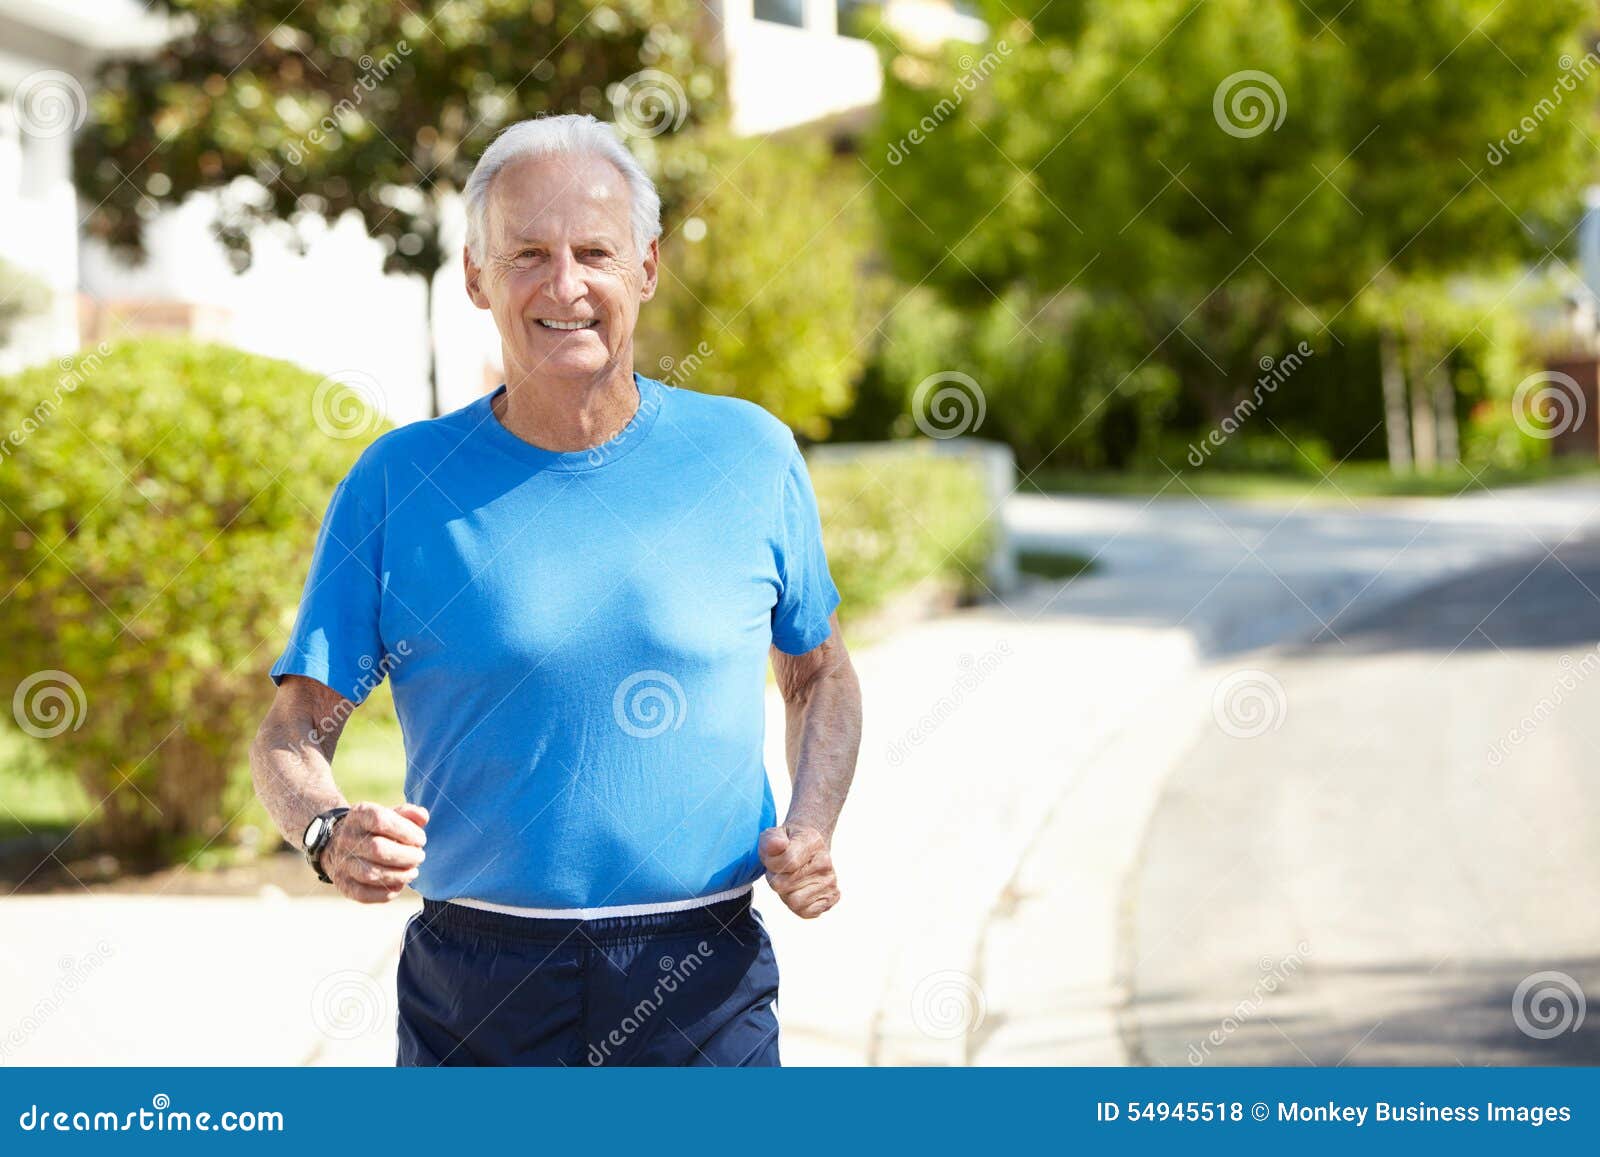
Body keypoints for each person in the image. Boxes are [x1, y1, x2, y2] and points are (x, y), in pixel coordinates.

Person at [249, 113, 863, 1067]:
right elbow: (294, 730)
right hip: (477, 984)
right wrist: (327, 829)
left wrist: (812, 826)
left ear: (648, 267)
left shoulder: (749, 453)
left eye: (594, 252)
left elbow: (818, 675)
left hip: (703, 977)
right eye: (528, 252)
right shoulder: (397, 481)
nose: (564, 284)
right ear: (476, 275)